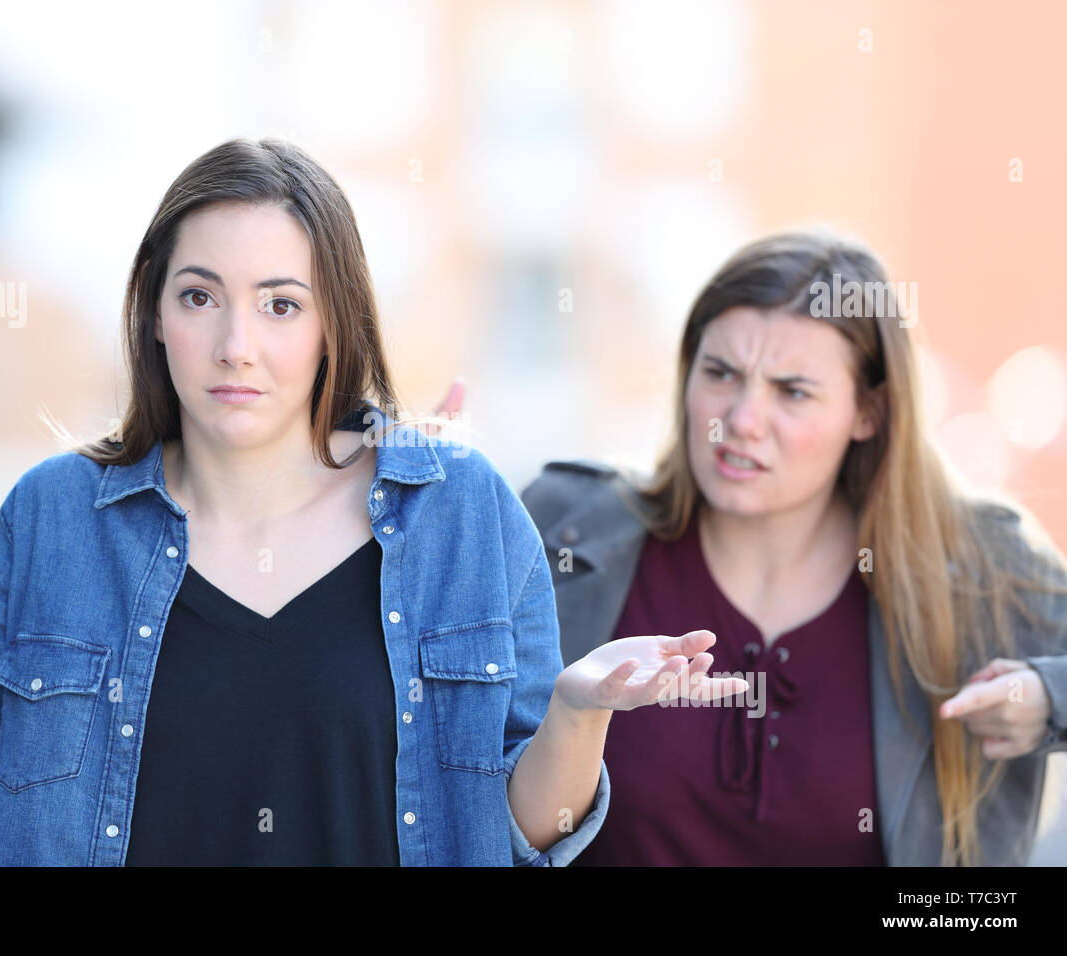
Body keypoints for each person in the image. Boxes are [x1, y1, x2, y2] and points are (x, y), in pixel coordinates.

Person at [0, 137, 745, 866]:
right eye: (200, 296)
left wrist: (577, 712)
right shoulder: (53, 518)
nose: (237, 343)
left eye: (280, 303)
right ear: (154, 308)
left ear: (333, 322)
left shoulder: (465, 513)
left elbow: (521, 833)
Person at [444, 230, 1067, 865]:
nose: (741, 418)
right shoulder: (566, 526)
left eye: (792, 391)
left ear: (869, 413)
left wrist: (1050, 698)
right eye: (720, 373)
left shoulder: (985, 569)